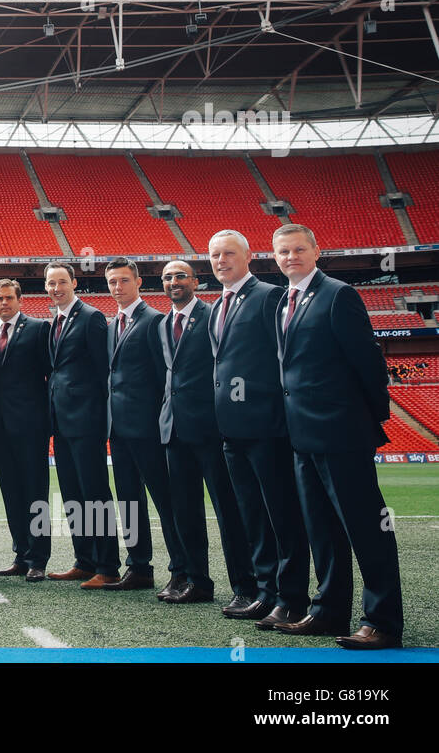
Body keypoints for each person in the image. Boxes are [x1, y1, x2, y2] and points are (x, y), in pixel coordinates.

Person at [271, 224, 403, 649]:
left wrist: (368, 423)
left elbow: (368, 362)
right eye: (283, 251)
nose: (290, 256)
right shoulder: (283, 302)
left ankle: (382, 621)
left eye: (298, 249)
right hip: (302, 435)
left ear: (316, 251)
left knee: (367, 528)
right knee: (322, 530)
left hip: (342, 433)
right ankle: (328, 612)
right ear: (274, 257)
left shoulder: (338, 294)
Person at [207, 230, 310, 629]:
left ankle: (291, 598)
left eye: (228, 254)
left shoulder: (269, 296)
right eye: (215, 255)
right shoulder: (218, 305)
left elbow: (284, 359)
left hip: (267, 428)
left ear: (248, 256)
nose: (220, 261)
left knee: (281, 516)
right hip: (232, 431)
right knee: (253, 517)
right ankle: (265, 593)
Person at [157, 260, 257, 609]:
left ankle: (245, 586)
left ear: (196, 282)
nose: (174, 282)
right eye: (168, 277)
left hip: (210, 429)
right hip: (175, 429)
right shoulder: (162, 323)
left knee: (229, 512)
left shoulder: (213, 316)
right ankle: (197, 582)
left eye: (180, 275)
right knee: (185, 512)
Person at [104, 258, 184, 593]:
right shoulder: (112, 325)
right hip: (119, 431)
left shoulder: (154, 321)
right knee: (129, 503)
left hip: (149, 429)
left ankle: (181, 570)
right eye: (111, 282)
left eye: (123, 280)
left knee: (166, 502)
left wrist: (159, 421)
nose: (117, 287)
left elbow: (166, 375)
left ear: (138, 282)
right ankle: (139, 567)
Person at [45, 261, 120, 587]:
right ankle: (84, 559)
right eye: (50, 283)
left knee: (95, 495)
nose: (56, 288)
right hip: (61, 422)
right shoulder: (56, 320)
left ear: (74, 283)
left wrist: (98, 418)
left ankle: (107, 566)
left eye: (62, 282)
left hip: (86, 421)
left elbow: (103, 371)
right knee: (73, 495)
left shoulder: (90, 318)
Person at [0, 279, 51, 582]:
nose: (3, 303)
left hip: (30, 425)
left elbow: (50, 374)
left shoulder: (38, 329)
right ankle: (20, 554)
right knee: (11, 493)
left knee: (35, 493)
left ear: (19, 300)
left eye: (8, 298)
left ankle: (39, 558)